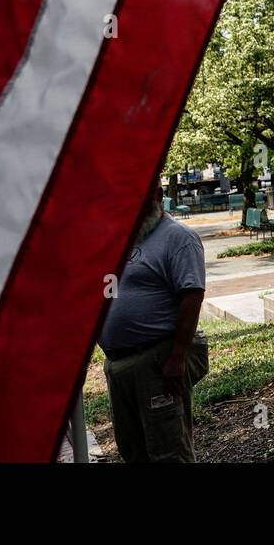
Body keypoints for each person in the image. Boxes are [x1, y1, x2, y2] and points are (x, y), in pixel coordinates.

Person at [99, 185, 208, 463]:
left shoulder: (178, 237)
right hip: (118, 364)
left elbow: (192, 296)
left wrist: (178, 357)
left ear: (159, 195)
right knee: (132, 450)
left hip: (157, 361)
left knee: (168, 451)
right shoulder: (121, 238)